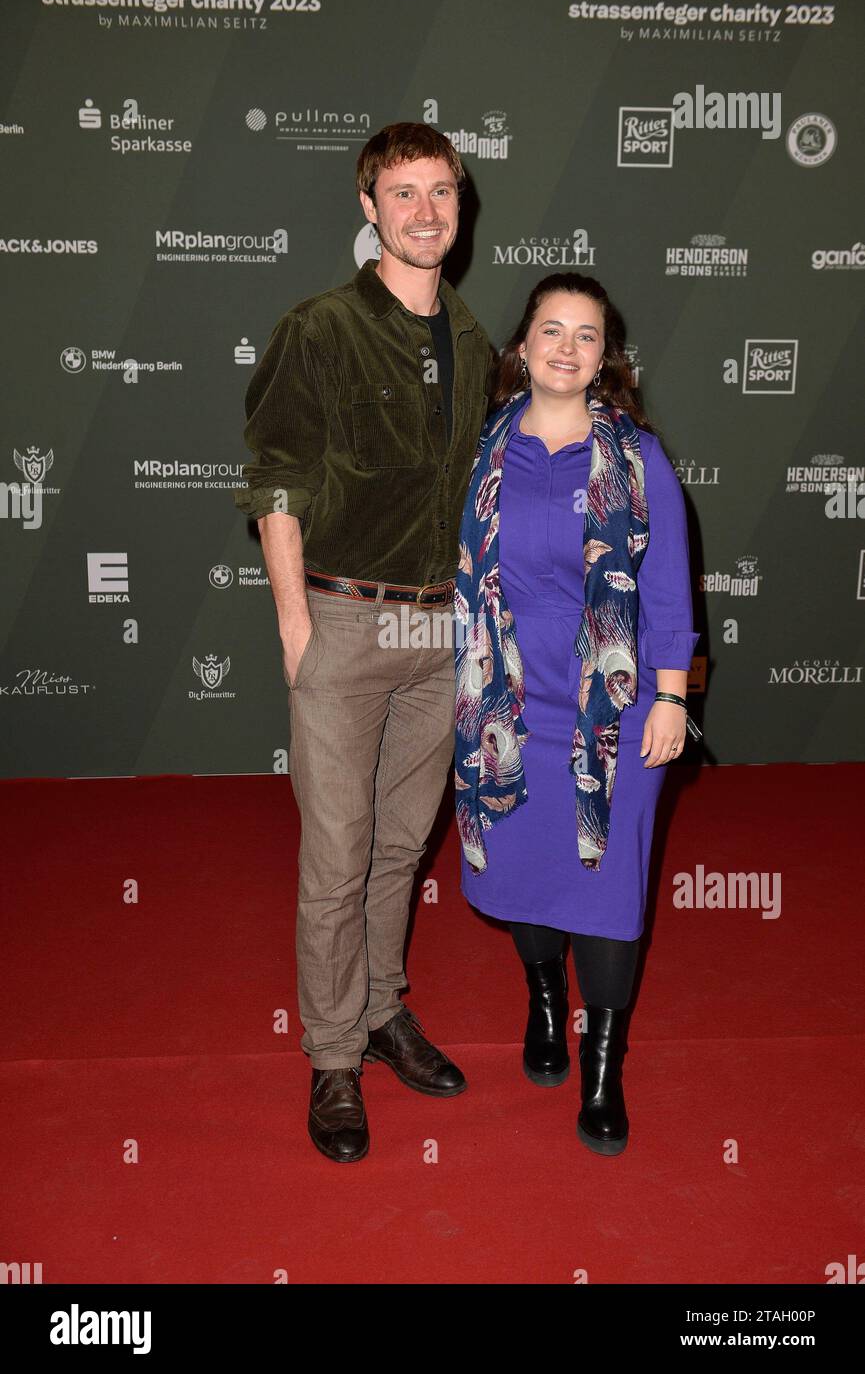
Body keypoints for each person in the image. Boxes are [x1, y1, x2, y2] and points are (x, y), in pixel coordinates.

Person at [233, 122, 495, 1163]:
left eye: (442, 192)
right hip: (342, 618)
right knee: (336, 854)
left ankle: (384, 1009)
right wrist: (296, 626)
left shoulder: (474, 341)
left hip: (439, 628)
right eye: (403, 193)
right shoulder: (320, 328)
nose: (425, 211)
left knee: (400, 845)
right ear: (368, 208)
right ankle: (333, 1054)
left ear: (460, 208)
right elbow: (278, 479)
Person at [453, 273, 700, 1156]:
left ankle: (603, 1066)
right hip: (502, 704)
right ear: (520, 347)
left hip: (614, 707)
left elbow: (668, 588)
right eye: (548, 330)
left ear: (606, 356)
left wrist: (671, 696)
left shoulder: (638, 458)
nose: (565, 347)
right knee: (523, 861)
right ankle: (543, 1001)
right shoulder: (480, 447)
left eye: (585, 334)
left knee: (605, 889)